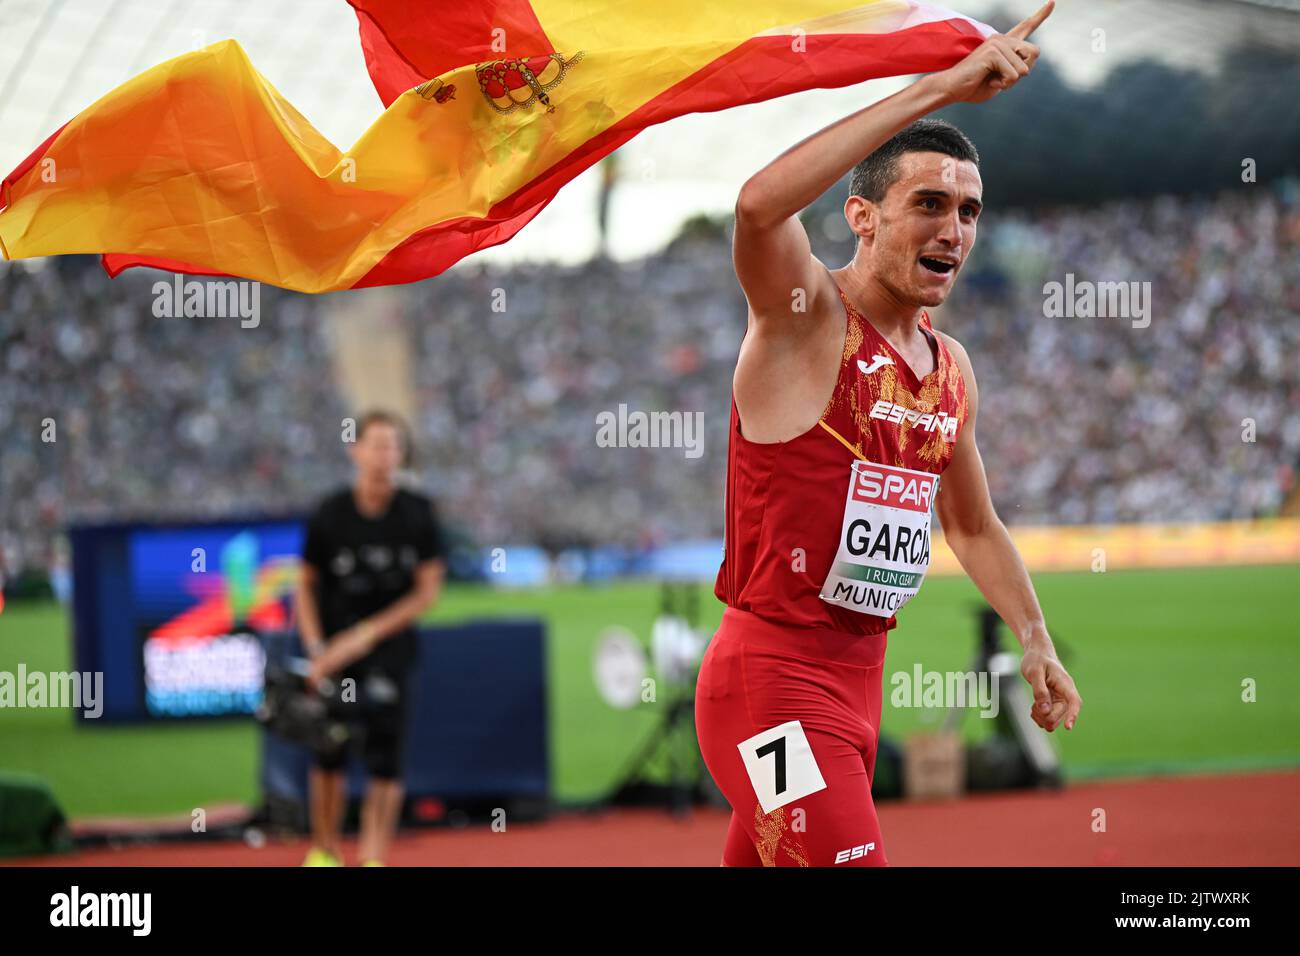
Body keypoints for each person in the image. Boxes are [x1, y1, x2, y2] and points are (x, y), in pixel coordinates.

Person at [695, 1, 1082, 867]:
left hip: (856, 690)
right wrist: (937, 87)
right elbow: (758, 207)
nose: (954, 228)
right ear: (862, 216)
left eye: (970, 212)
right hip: (768, 687)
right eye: (929, 203)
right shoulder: (804, 319)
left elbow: (972, 526)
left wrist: (1035, 636)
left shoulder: (953, 371)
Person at [295, 410, 447, 866]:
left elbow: (427, 592)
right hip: (333, 654)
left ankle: (374, 857)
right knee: (328, 751)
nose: (385, 455)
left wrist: (365, 635)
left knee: (386, 759)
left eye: (394, 446)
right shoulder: (329, 513)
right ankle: (324, 851)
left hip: (391, 652)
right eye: (377, 444)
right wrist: (318, 649)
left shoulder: (418, 514)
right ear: (355, 449)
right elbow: (302, 583)